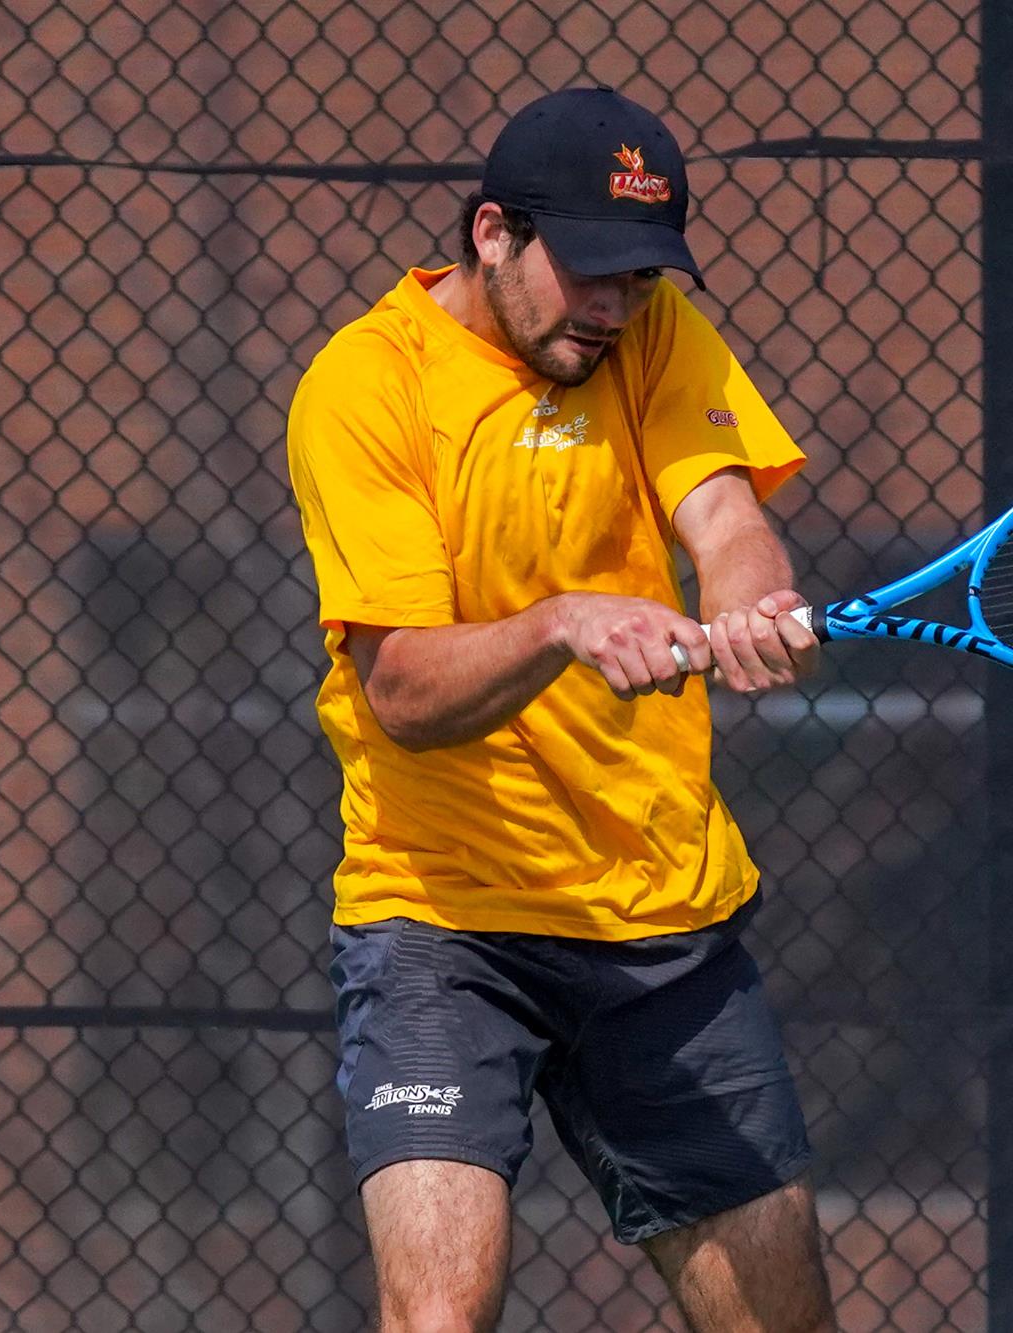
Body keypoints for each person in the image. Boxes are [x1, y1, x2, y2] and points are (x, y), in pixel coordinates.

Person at [285, 86, 836, 1333]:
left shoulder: (650, 332)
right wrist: (560, 624)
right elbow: (403, 692)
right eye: (589, 270)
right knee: (438, 1314)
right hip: (440, 920)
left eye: (637, 276)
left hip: (660, 921)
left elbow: (729, 522)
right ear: (493, 234)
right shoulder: (364, 387)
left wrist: (754, 601)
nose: (613, 303)